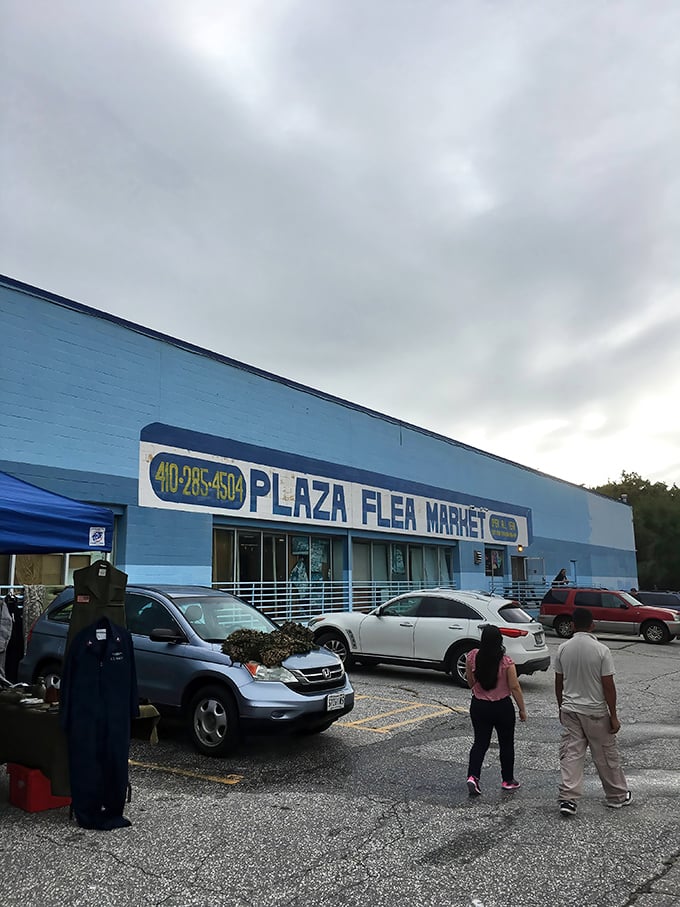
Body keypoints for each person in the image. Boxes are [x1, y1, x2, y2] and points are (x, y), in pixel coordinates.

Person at [554, 607, 630, 816]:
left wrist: (561, 706)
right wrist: (613, 715)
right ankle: (616, 796)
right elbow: (608, 685)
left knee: (571, 754)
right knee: (605, 754)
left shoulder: (563, 649)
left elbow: (559, 682)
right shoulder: (601, 650)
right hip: (595, 711)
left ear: (572, 625)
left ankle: (568, 798)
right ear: (592, 625)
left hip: (570, 709)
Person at [465, 625, 527, 796]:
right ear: (500, 641)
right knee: (506, 744)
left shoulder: (472, 656)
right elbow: (515, 687)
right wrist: (522, 709)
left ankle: (473, 776)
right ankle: (508, 780)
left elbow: (470, 682)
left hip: (479, 705)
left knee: (480, 742)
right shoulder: (506, 662)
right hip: (502, 707)